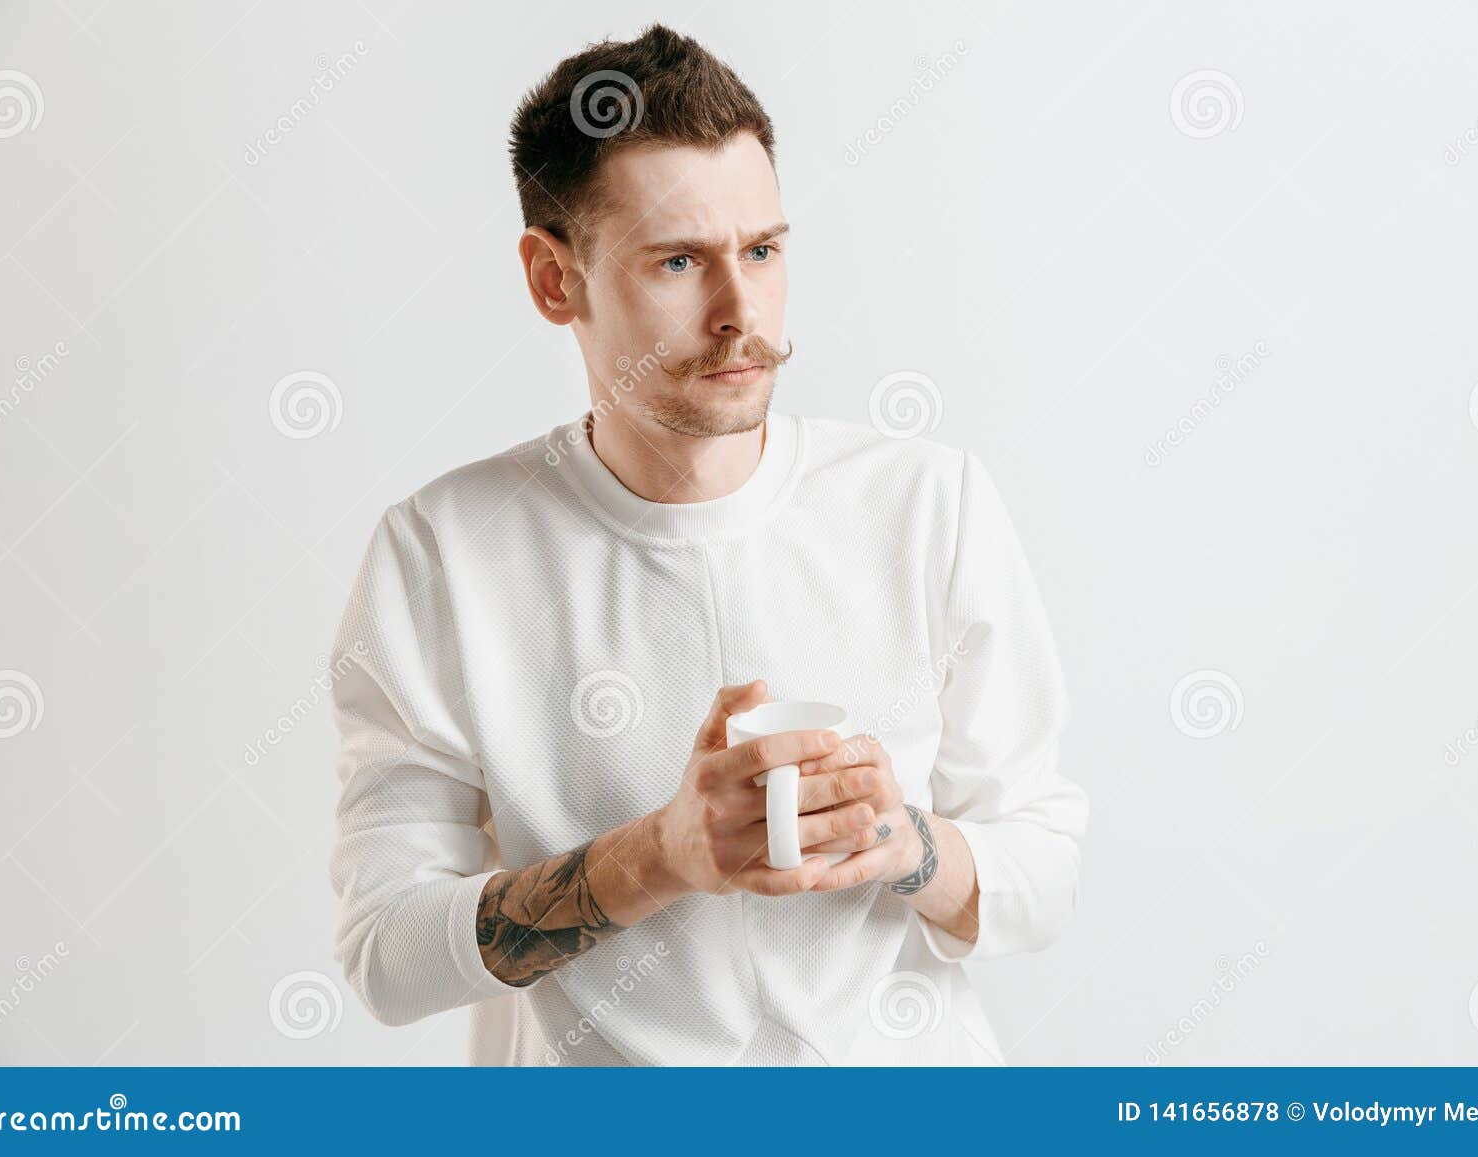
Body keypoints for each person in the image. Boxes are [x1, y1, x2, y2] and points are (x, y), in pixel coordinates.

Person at [328, 23, 1088, 1065]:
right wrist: (658, 855)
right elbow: (386, 955)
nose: (742, 312)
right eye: (679, 260)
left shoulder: (927, 503)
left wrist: (901, 841)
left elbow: (1043, 874)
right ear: (556, 282)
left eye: (763, 250)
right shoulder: (446, 551)